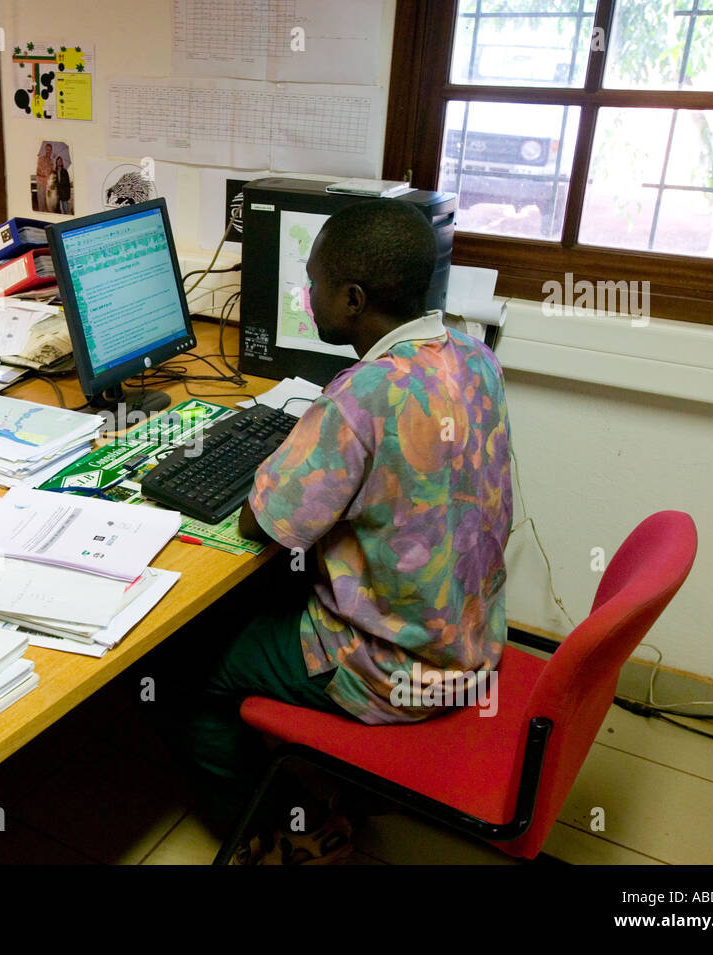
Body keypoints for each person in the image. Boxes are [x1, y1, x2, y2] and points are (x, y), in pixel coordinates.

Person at [181, 199, 514, 863]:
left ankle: (274, 832)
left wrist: (272, 455)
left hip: (396, 669)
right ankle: (307, 783)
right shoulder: (475, 359)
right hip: (472, 638)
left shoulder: (364, 393)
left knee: (191, 663)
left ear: (353, 299)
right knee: (264, 599)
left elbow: (267, 520)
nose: (306, 296)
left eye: (314, 284)